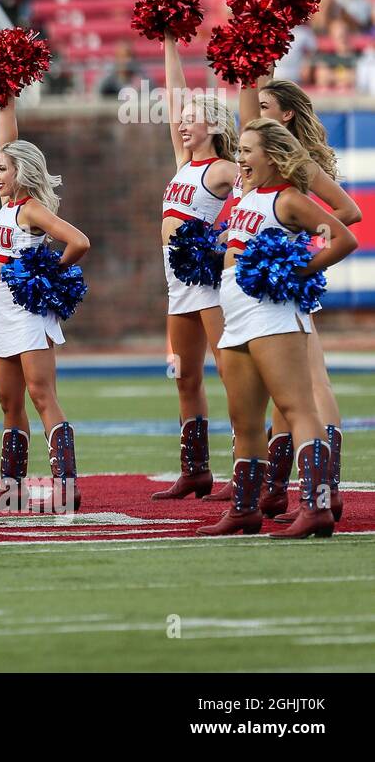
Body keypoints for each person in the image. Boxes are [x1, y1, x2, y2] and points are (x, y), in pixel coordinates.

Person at [212, 79, 363, 522]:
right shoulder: (250, 191)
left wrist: (299, 265)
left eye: (246, 151)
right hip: (235, 308)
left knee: (300, 401)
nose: (238, 158)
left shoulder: (289, 194)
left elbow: (344, 232)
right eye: (237, 150)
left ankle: (317, 500)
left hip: (272, 308)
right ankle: (249, 507)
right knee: (244, 415)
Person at [0, 96, 90, 513]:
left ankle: (67, 485)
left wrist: (50, 273)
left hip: (27, 311)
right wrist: (5, 102)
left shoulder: (29, 208)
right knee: (8, 400)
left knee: (41, 394)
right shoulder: (7, 208)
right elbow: (6, 143)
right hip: (2, 313)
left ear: (21, 173)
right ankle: (13, 488)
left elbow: (78, 241)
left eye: (2, 169)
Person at [148, 33, 238, 500]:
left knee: (231, 372)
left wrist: (222, 240)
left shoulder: (222, 168)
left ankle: (246, 468)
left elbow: (255, 198)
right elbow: (174, 97)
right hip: (176, 284)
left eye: (193, 120)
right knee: (184, 375)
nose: (183, 125)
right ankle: (196, 470)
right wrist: (169, 42)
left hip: (208, 282)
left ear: (215, 125)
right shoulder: (184, 161)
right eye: (182, 120)